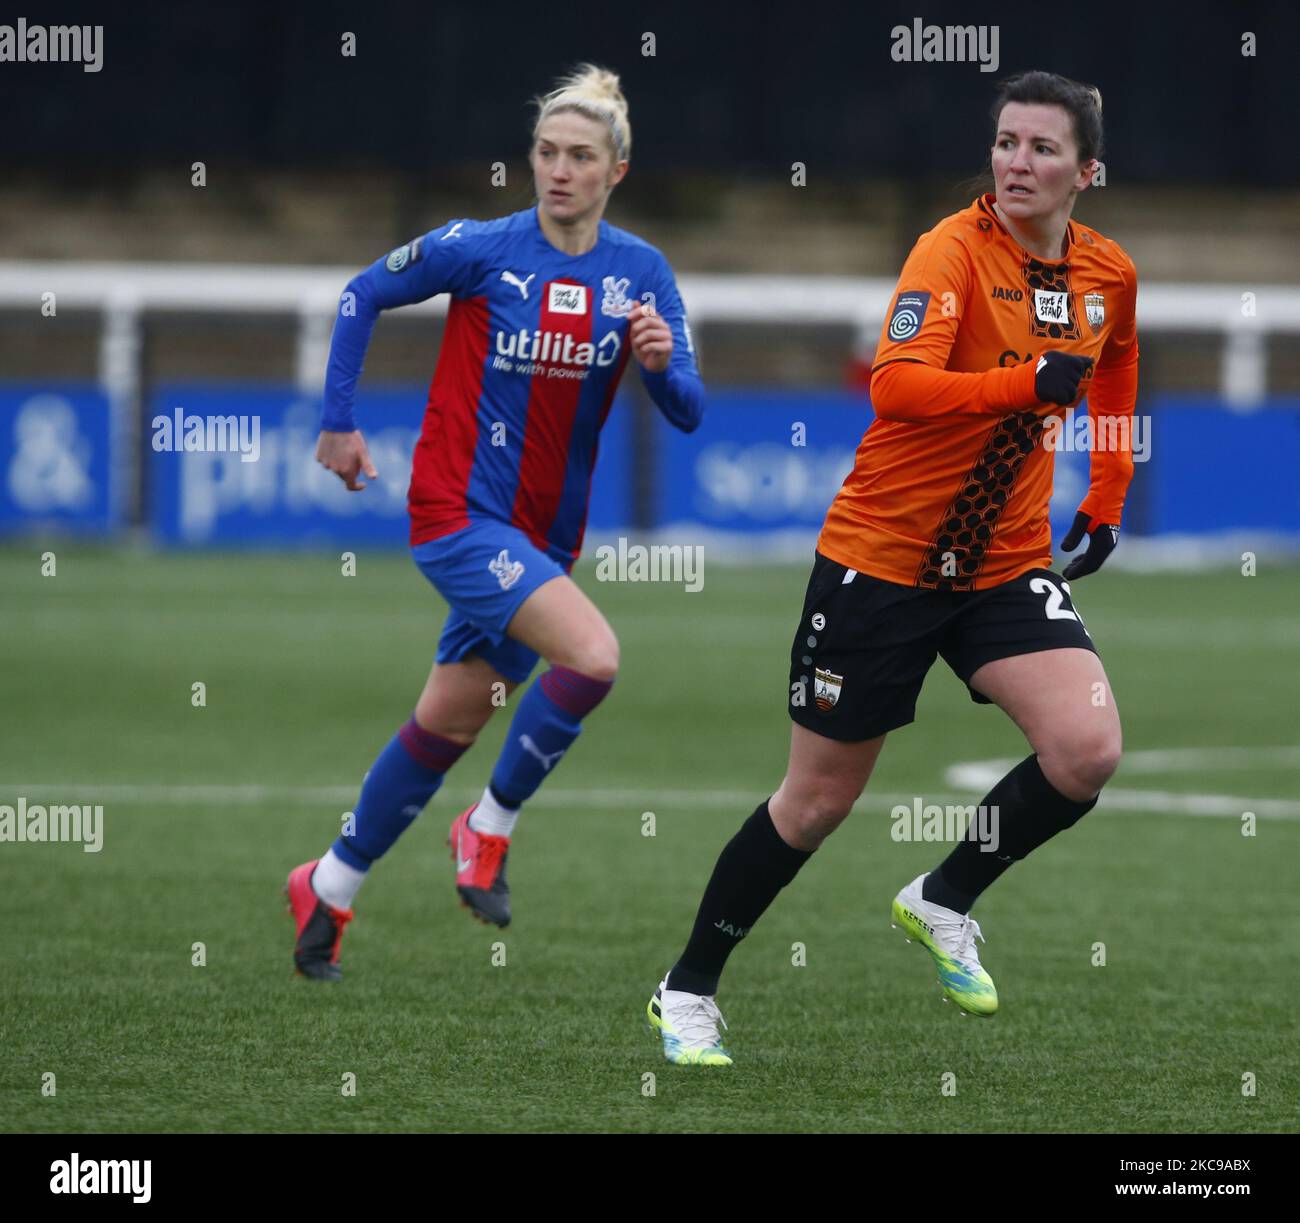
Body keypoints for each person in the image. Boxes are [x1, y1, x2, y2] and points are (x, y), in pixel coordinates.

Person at [648, 70, 1137, 1064]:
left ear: (1086, 169)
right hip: (883, 561)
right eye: (1006, 142)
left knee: (1085, 749)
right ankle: (686, 986)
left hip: (1001, 563)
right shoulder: (948, 250)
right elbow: (899, 386)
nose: (1017, 162)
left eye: (1042, 148)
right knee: (818, 800)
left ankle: (943, 895)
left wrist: (1109, 488)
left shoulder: (1107, 272)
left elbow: (1116, 362)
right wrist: (1021, 385)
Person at [285, 64, 705, 981]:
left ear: (616, 171)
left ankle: (328, 882)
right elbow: (361, 294)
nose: (559, 170)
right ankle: (487, 830)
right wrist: (339, 421)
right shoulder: (482, 248)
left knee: (448, 724)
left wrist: (664, 365)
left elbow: (688, 409)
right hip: (456, 517)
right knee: (593, 656)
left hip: (543, 541)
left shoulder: (642, 274)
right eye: (547, 152)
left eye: (581, 157)